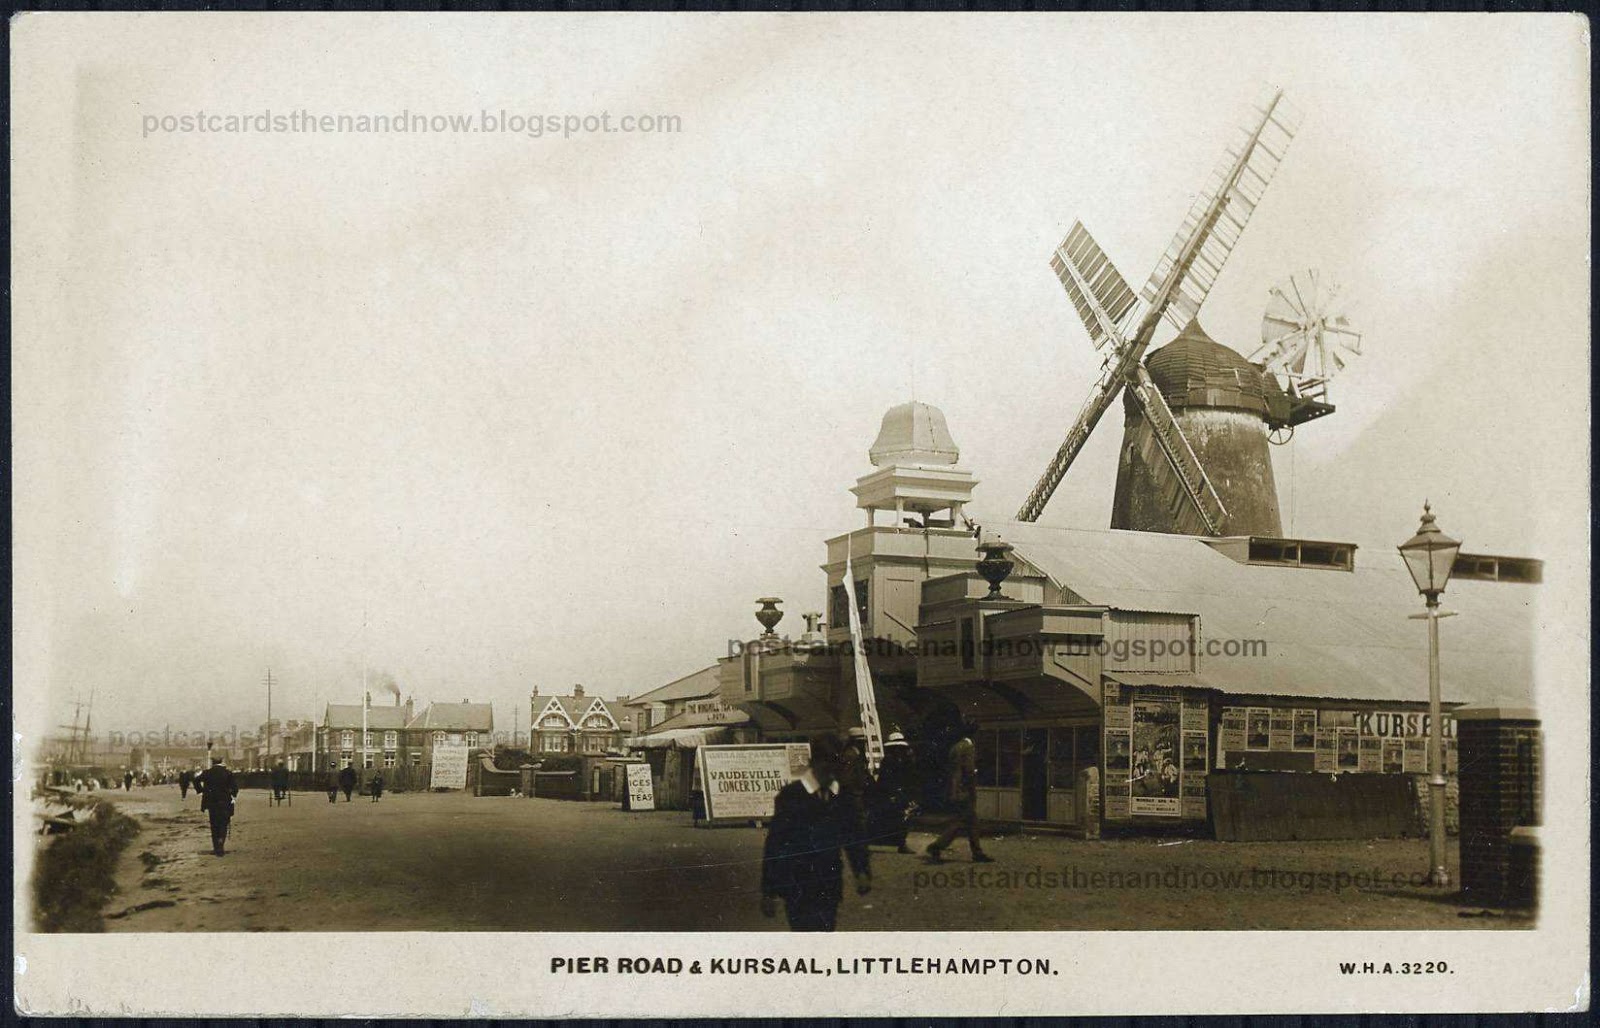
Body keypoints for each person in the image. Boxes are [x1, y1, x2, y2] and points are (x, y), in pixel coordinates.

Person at [759, 735, 871, 932]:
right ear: (814, 763)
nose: (831, 772)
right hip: (797, 883)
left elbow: (853, 835)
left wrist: (861, 870)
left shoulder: (842, 796)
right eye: (826, 766)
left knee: (826, 934)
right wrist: (769, 890)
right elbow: (776, 842)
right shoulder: (791, 795)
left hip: (829, 882)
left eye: (835, 766)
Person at [926, 720, 993, 863]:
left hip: (955, 788)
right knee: (963, 821)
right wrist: (972, 787)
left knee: (968, 821)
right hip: (964, 789)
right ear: (974, 733)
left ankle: (976, 852)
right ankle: (937, 846)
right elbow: (968, 770)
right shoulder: (968, 747)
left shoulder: (956, 747)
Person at [869, 730, 918, 853]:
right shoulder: (889, 760)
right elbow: (886, 780)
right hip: (891, 793)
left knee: (902, 818)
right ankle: (900, 843)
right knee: (898, 818)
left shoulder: (901, 760)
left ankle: (900, 842)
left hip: (898, 793)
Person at [196, 755, 239, 856]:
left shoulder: (207, 773)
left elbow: (196, 780)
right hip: (225, 802)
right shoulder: (228, 773)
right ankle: (221, 844)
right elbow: (235, 788)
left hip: (212, 802)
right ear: (221, 761)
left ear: (212, 762)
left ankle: (216, 847)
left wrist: (201, 791)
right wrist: (232, 795)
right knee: (223, 824)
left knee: (214, 824)